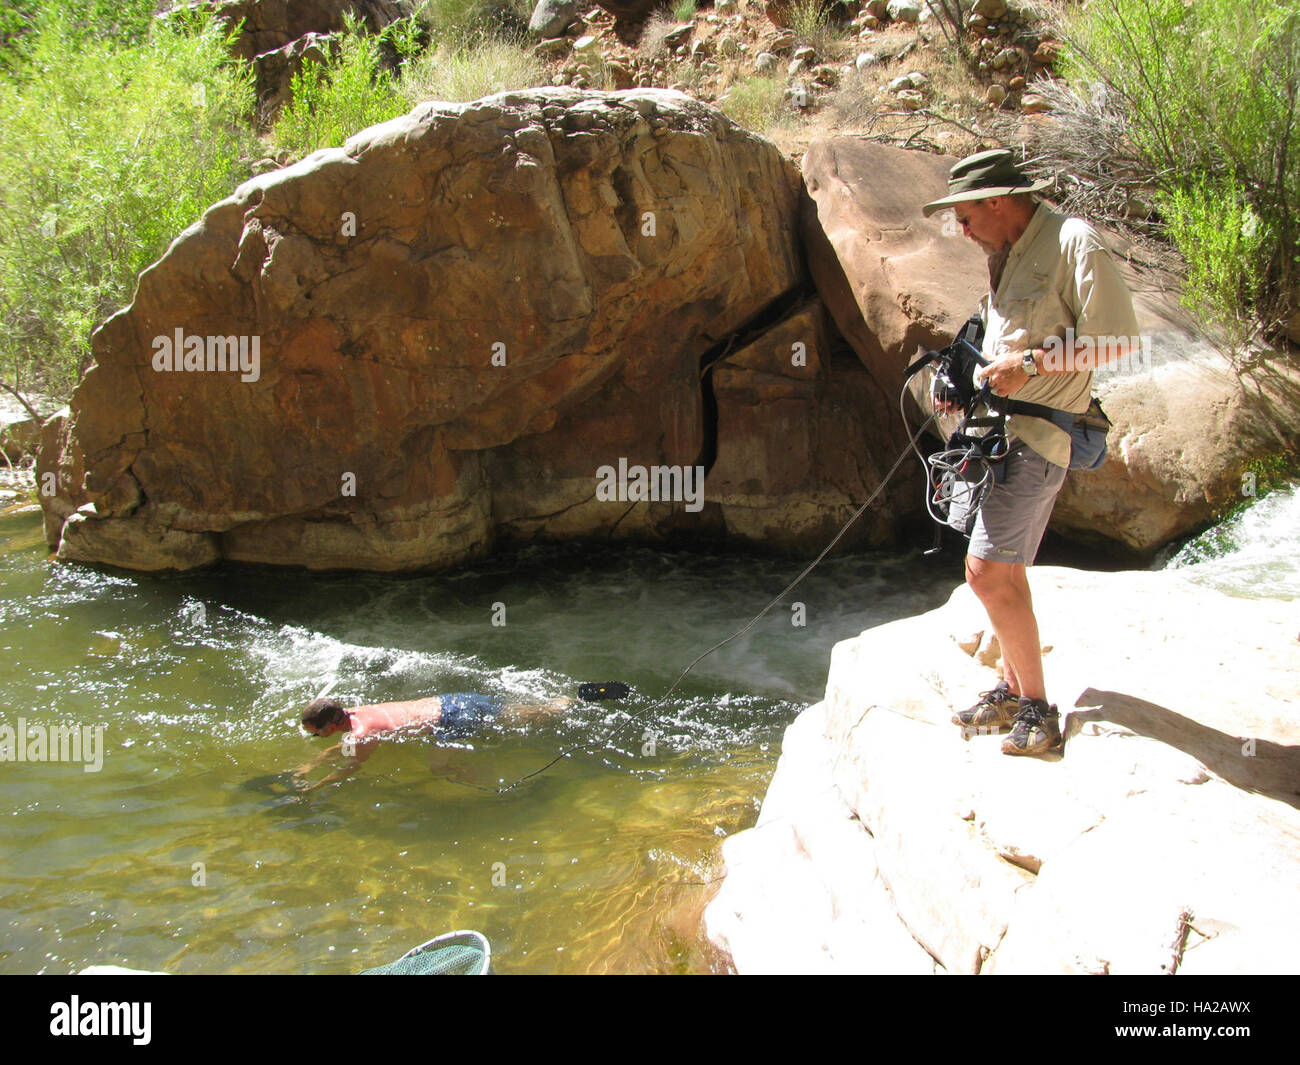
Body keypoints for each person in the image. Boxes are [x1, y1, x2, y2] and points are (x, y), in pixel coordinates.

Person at [920, 149, 1139, 756]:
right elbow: (997, 332)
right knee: (1005, 571)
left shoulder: (1075, 243)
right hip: (998, 436)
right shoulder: (1005, 254)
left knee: (985, 573)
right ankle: (1013, 688)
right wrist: (957, 374)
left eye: (964, 216)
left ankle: (1038, 713)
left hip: (1041, 436)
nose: (959, 231)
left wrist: (1032, 365)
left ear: (997, 199)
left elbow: (1118, 340)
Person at [295, 691, 573, 789]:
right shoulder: (359, 713)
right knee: (523, 715)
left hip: (450, 721)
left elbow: (352, 765)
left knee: (439, 768)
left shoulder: (362, 734)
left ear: (331, 725)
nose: (313, 735)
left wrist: (318, 786)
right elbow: (345, 749)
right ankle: (562, 704)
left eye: (314, 731)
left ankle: (488, 789)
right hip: (452, 700)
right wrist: (312, 765)